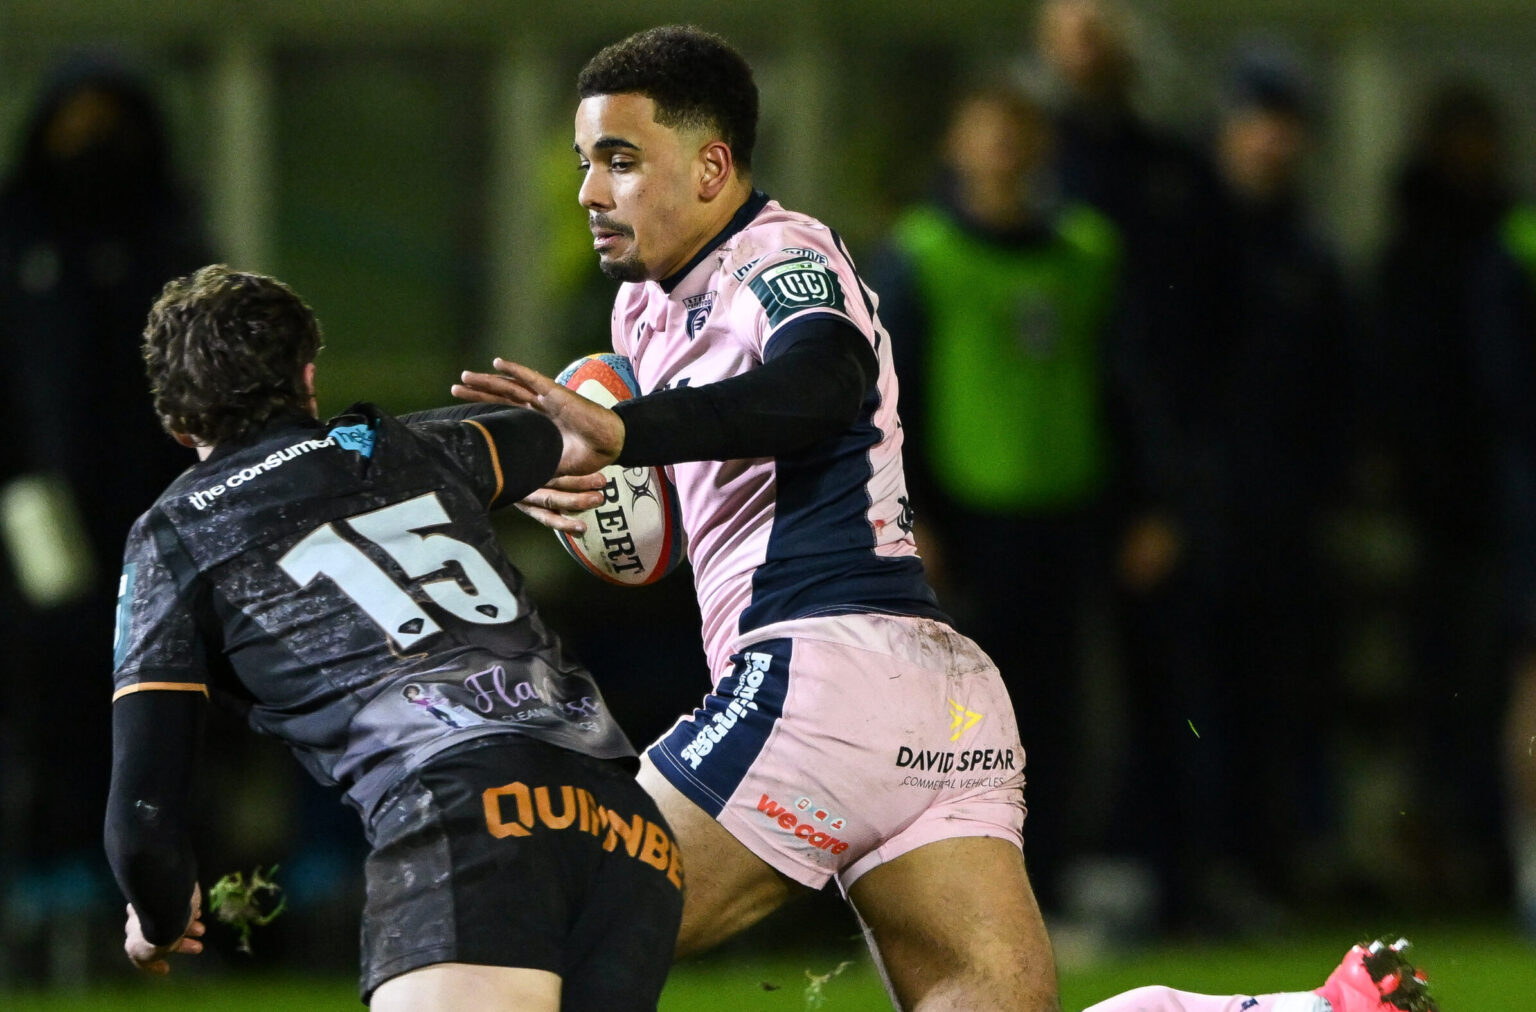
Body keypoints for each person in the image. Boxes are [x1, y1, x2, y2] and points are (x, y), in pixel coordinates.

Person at [455, 24, 1441, 1012]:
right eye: (586, 163)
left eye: (621, 160)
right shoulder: (643, 314)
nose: (591, 191)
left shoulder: (780, 257)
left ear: (712, 167)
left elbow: (821, 383)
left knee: (544, 944)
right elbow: (713, 486)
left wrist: (626, 434)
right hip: (935, 703)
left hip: (822, 679)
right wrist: (595, 481)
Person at [104, 265, 682, 1010]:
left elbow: (144, 815)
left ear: (178, 424)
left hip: (464, 817)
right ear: (308, 380)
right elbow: (584, 435)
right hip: (624, 825)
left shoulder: (176, 533)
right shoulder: (411, 447)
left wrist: (156, 917)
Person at [871, 81, 1122, 913]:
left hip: (1064, 510)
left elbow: (1123, 384)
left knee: (1054, 713)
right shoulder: (923, 253)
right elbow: (890, 398)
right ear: (958, 146)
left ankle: (1044, 886)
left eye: (1019, 133)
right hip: (968, 519)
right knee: (962, 719)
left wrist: (1141, 502)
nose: (1004, 150)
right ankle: (959, 894)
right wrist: (913, 515)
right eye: (989, 133)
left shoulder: (1086, 250)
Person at [0, 56, 214, 911]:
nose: (89, 147)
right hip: (33, 510)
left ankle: (156, 874)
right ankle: (49, 866)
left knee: (154, 685)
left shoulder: (172, 242)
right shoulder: (17, 243)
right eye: (73, 125)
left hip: (156, 508)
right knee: (45, 681)